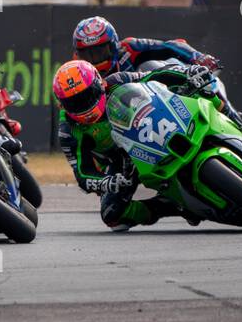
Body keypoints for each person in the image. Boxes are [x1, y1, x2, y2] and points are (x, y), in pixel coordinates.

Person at [54, 59, 220, 230]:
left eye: (87, 96)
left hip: (152, 125)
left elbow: (155, 75)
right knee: (113, 215)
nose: (84, 105)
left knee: (201, 89)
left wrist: (186, 73)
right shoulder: (68, 130)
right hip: (121, 161)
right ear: (62, 105)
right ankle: (172, 206)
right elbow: (82, 173)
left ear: (99, 84)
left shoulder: (117, 81)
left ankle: (236, 125)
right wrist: (106, 182)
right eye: (74, 103)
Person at [72, 14, 242, 148]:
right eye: (87, 54)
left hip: (156, 103)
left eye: (100, 52)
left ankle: (241, 128)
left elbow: (171, 46)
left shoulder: (130, 48)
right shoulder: (79, 74)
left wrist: (198, 57)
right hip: (122, 129)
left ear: (114, 45)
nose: (95, 60)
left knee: (167, 70)